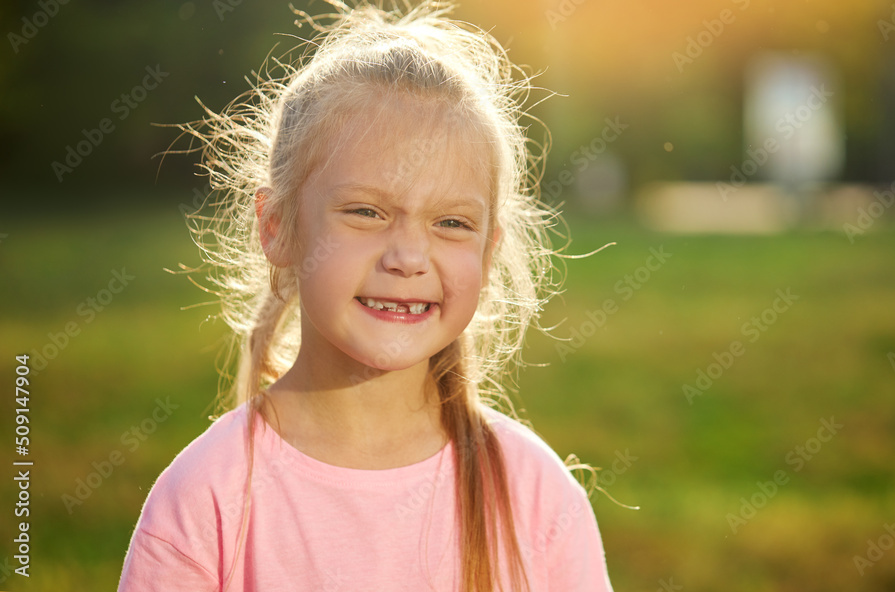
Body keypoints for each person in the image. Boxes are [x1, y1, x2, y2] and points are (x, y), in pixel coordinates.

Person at [116, 1, 614, 591]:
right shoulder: (206, 499)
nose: (407, 256)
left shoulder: (535, 497)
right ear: (276, 227)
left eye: (451, 223)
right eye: (366, 212)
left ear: (487, 250)